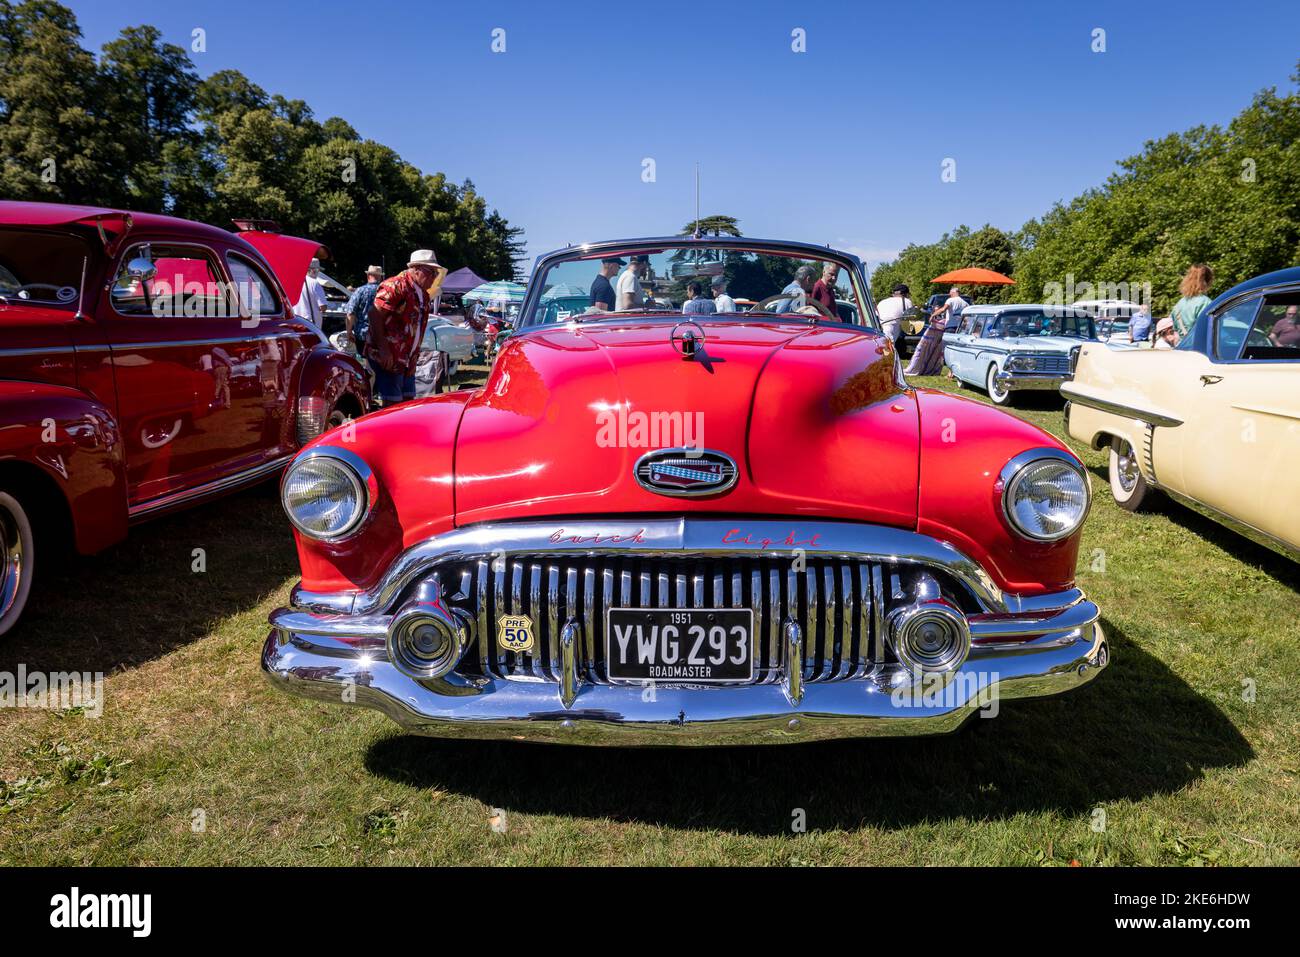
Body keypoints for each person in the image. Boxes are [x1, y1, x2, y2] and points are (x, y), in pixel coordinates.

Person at [365, 249, 446, 406]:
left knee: (408, 405)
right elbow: (374, 314)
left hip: (407, 361)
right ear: (416, 269)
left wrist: (414, 357)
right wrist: (384, 349)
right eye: (430, 272)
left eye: (436, 273)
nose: (434, 277)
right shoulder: (396, 285)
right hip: (390, 357)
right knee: (392, 407)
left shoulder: (423, 294)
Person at [906, 286, 966, 376]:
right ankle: (953, 372)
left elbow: (943, 309)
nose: (949, 295)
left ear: (953, 292)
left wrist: (933, 315)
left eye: (950, 293)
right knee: (957, 350)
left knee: (947, 350)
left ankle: (951, 372)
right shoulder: (965, 303)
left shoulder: (951, 300)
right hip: (960, 328)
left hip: (950, 327)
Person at [344, 265, 383, 353]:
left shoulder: (360, 291)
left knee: (363, 360)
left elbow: (350, 313)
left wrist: (349, 332)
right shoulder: (386, 291)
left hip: (363, 334)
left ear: (368, 275)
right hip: (382, 335)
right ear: (380, 277)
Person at [1170, 264, 1213, 338]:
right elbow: (1208, 329)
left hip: (1181, 347)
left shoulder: (1179, 304)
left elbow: (1175, 330)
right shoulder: (1206, 302)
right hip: (1198, 347)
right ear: (1207, 281)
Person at [293, 257, 329, 325]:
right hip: (311, 323)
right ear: (313, 270)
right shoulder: (315, 283)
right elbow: (323, 307)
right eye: (318, 270)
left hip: (296, 321)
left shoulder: (295, 282)